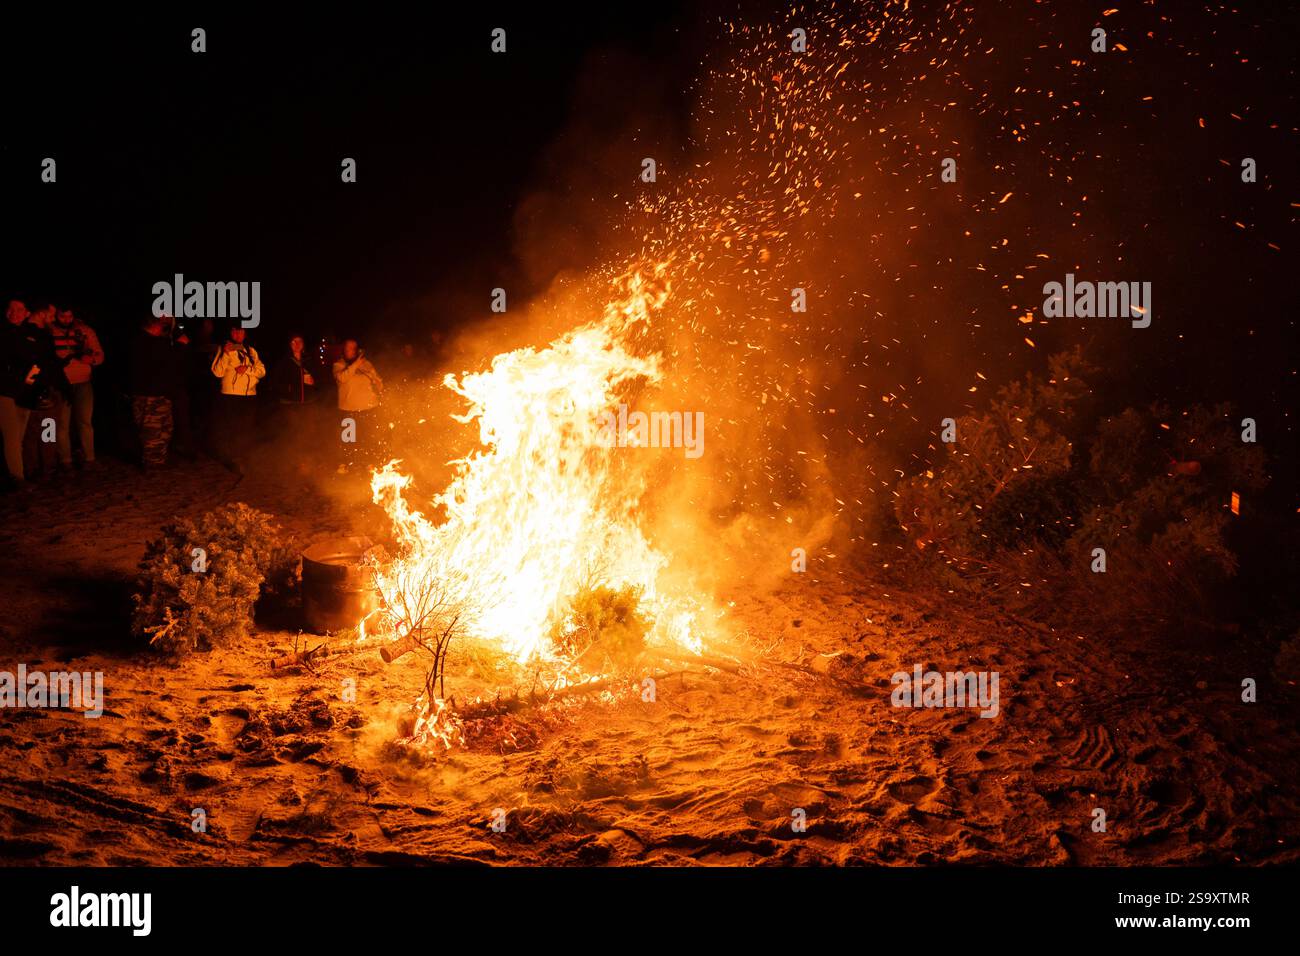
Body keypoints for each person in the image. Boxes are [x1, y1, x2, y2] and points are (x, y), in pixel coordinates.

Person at [17, 303, 70, 480]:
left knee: (38, 431)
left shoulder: (37, 334)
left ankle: (39, 468)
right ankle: (44, 468)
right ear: (41, 313)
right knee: (42, 429)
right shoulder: (31, 335)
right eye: (51, 315)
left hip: (39, 388)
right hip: (41, 388)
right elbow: (41, 363)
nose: (53, 319)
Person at [49, 306, 104, 468]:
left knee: (85, 421)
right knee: (61, 423)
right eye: (62, 316)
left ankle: (89, 458)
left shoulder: (85, 331)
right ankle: (65, 460)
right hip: (60, 382)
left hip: (83, 381)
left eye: (69, 316)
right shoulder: (50, 331)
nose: (66, 319)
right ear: (56, 315)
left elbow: (100, 354)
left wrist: (92, 360)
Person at [210, 325, 265, 473]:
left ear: (245, 334)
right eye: (235, 331)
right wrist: (226, 354)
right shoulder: (225, 348)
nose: (238, 334)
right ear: (231, 332)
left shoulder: (251, 351)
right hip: (231, 395)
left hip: (250, 395)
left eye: (241, 331)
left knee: (247, 428)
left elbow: (261, 371)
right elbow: (217, 372)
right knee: (233, 428)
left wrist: (247, 369)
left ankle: (245, 457)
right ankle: (233, 459)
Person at [128, 315, 177, 468]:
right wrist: (180, 348)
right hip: (149, 395)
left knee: (164, 429)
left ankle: (158, 460)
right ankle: (152, 463)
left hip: (158, 393)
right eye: (161, 324)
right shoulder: (146, 343)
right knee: (151, 431)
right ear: (155, 325)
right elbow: (165, 362)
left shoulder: (146, 342)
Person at [332, 338, 383, 473]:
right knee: (348, 439)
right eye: (348, 348)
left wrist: (379, 383)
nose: (351, 350)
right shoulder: (339, 365)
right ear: (344, 350)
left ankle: (368, 463)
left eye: (354, 348)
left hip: (368, 407)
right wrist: (355, 364)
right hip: (348, 409)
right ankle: (345, 464)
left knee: (367, 437)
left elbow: (377, 379)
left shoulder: (366, 364)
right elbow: (342, 378)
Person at [0, 300, 36, 488]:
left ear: (26, 312)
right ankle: (17, 476)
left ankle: (18, 473)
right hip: (5, 391)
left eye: (19, 309)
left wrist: (31, 382)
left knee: (21, 436)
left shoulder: (29, 335)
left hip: (24, 392)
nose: (14, 313)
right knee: (12, 436)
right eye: (11, 309)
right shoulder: (4, 333)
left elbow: (38, 362)